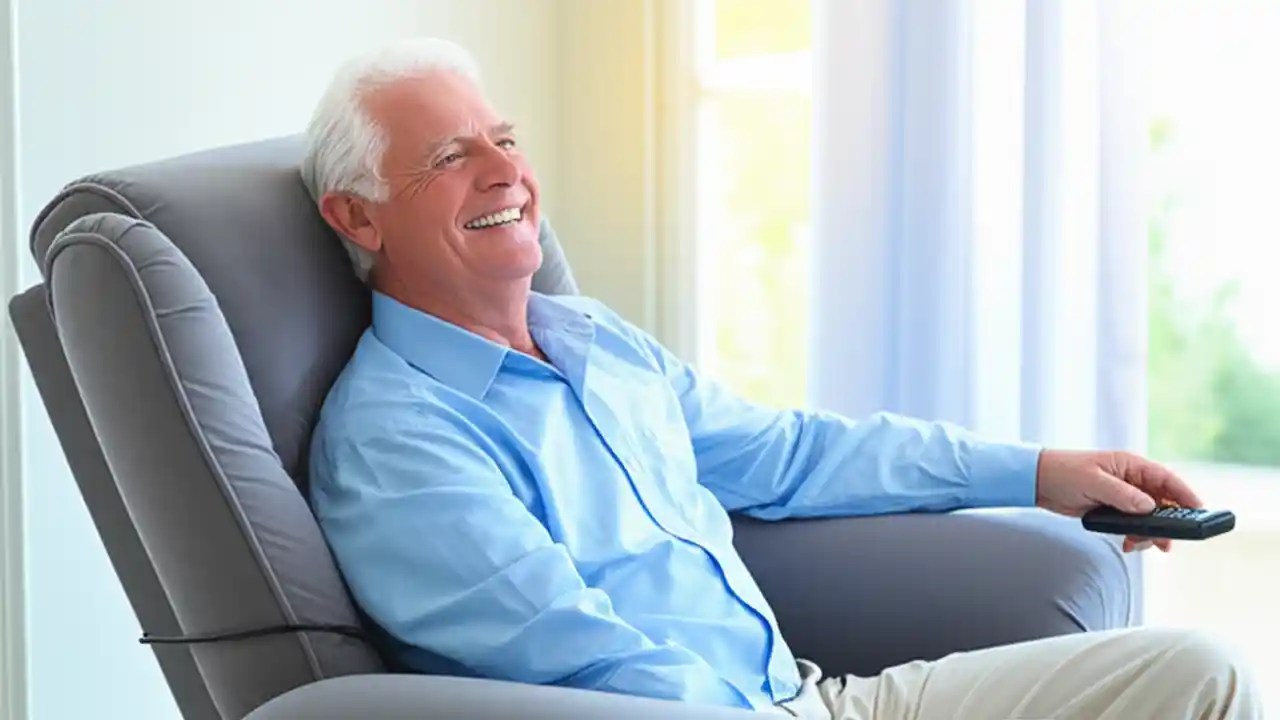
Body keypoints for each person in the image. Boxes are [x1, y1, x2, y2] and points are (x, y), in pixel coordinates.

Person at [301, 38, 1259, 720]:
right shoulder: (396, 436)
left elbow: (792, 454)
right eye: (449, 157)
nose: (502, 171)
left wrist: (1042, 472)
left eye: (504, 138)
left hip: (809, 700)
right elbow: (577, 659)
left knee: (1201, 677)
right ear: (359, 216)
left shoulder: (592, 340)